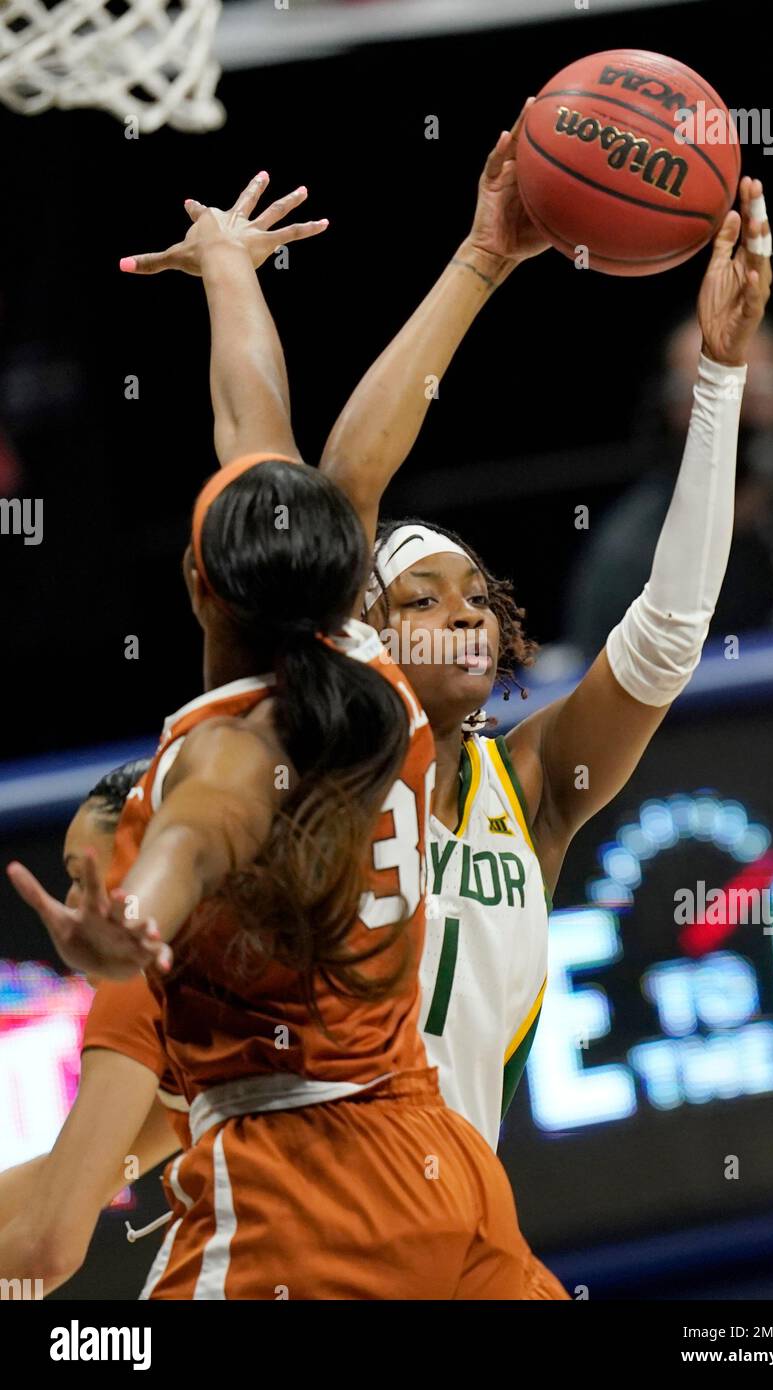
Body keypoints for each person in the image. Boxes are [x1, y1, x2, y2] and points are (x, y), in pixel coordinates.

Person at [7, 176, 548, 1300]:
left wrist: (130, 922)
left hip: (298, 1205)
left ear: (199, 586)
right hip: (439, 1165)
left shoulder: (227, 755)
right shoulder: (363, 669)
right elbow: (266, 429)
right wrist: (227, 269)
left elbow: (195, 838)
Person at [320, 109, 773, 1150]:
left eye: (475, 596)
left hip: (467, 1212)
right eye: (422, 598)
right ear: (361, 639)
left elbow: (664, 636)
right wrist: (483, 256)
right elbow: (347, 486)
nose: (464, 613)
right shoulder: (326, 761)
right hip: (325, 1211)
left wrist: (717, 375)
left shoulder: (525, 789)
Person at [564, 314, 773, 655]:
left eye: (756, 392)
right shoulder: (629, 551)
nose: (737, 415)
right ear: (673, 409)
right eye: (709, 395)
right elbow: (592, 685)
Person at [0, 761, 187, 1294]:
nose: (72, 905)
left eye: (82, 878)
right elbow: (73, 1178)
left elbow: (45, 1250)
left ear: (151, 859)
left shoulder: (141, 979)